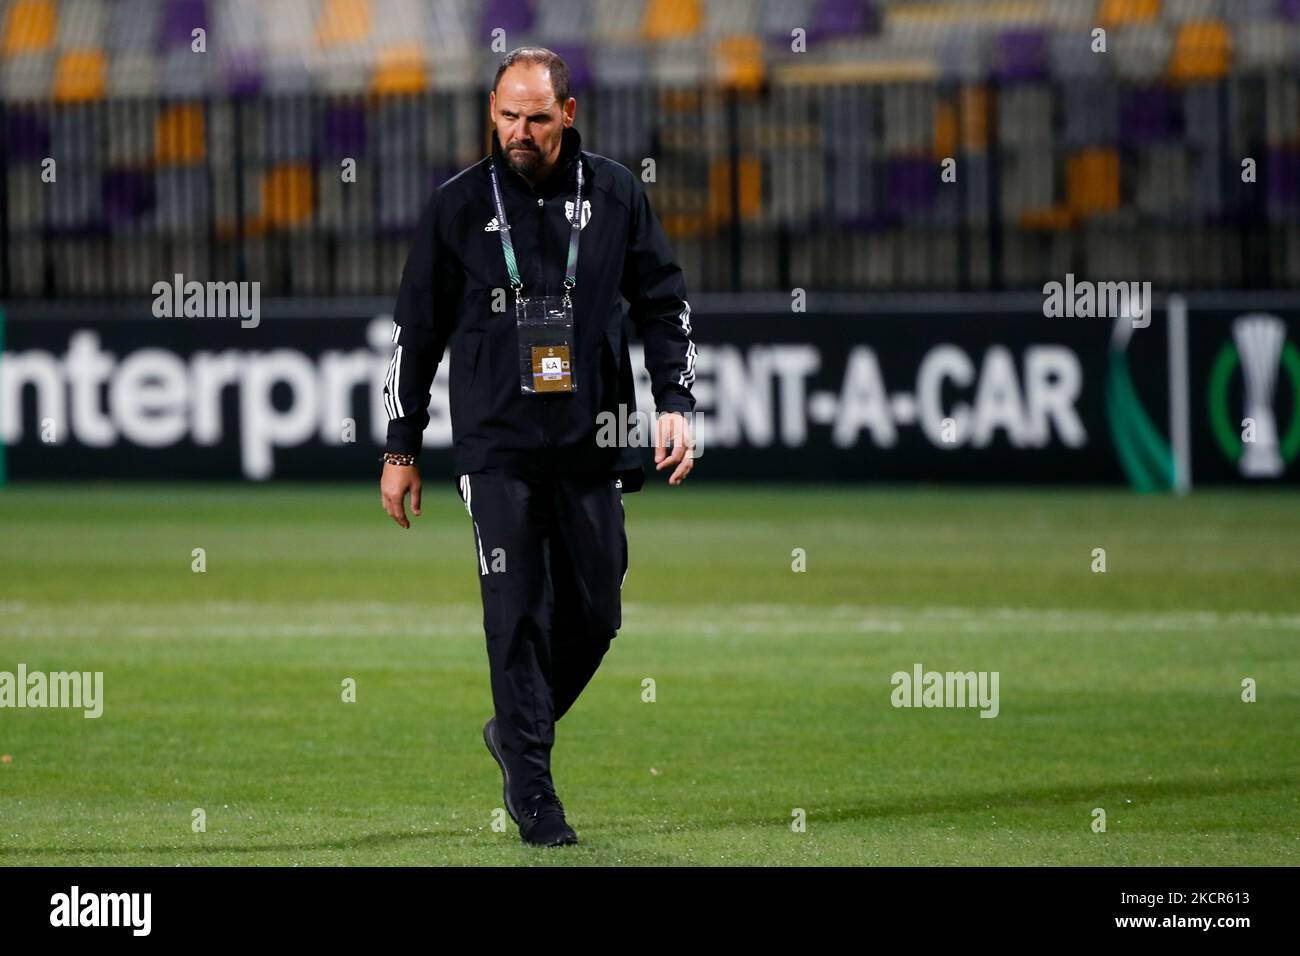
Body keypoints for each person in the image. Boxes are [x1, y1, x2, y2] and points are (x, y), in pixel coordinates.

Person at [378, 47, 698, 847]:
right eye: (507, 115)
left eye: (537, 117)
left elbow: (664, 303)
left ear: (569, 113)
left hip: (594, 438)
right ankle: (535, 795)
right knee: (516, 614)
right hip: (496, 447)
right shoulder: (456, 206)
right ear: (492, 112)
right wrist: (401, 445)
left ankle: (516, 731)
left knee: (598, 609)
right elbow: (415, 335)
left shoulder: (618, 192)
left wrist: (676, 402)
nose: (519, 131)